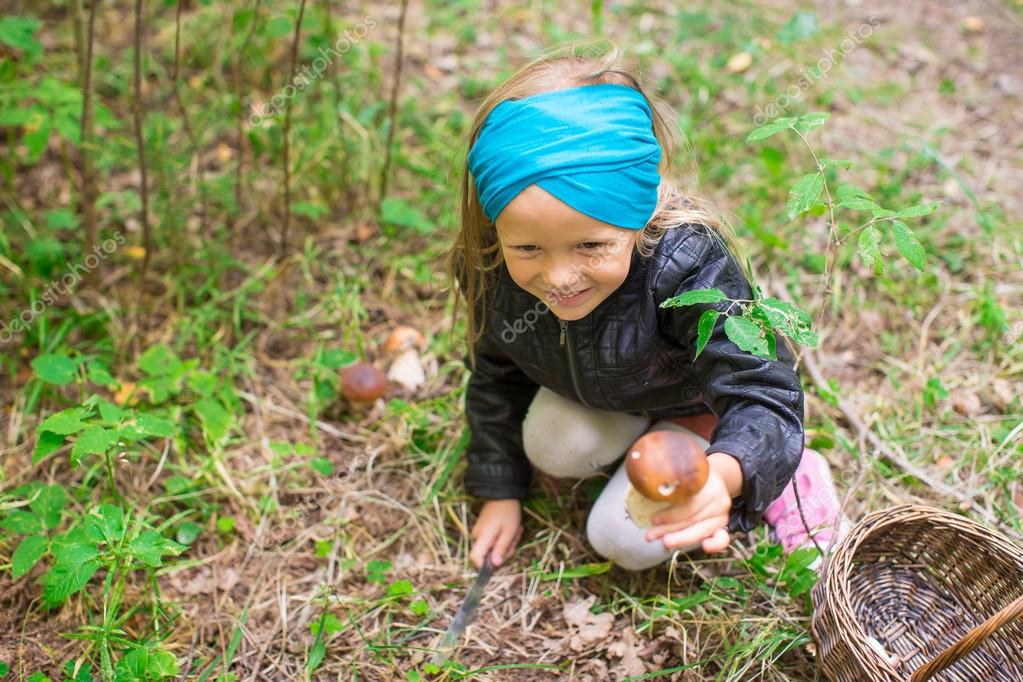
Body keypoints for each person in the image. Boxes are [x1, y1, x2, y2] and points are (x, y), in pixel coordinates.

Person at [444, 42, 849, 574]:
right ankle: (638, 440)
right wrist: (499, 488)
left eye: (591, 246)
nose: (559, 277)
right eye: (528, 249)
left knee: (623, 538)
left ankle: (790, 478)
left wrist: (726, 473)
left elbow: (762, 392)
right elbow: (496, 376)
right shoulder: (494, 270)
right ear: (498, 227)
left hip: (697, 410)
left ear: (648, 202)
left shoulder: (688, 264)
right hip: (610, 395)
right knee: (550, 447)